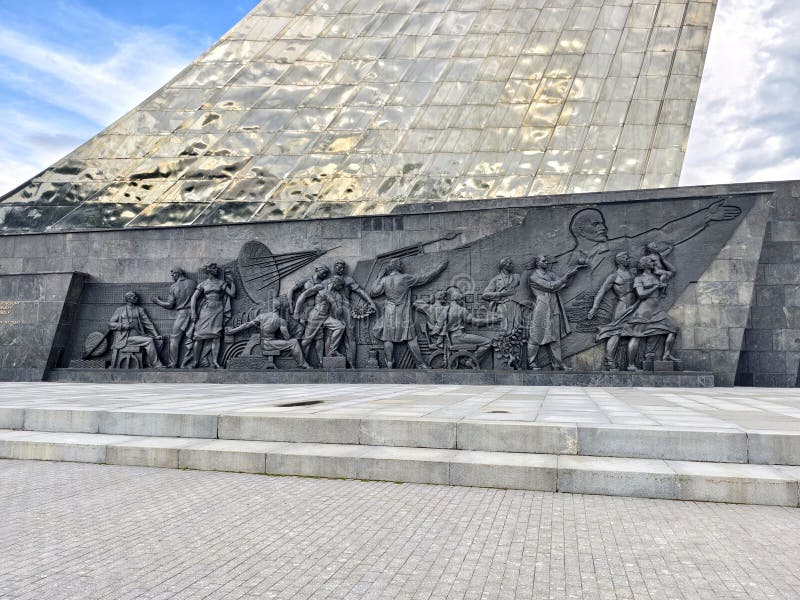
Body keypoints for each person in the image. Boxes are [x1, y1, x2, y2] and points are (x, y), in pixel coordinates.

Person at [368, 258, 449, 369]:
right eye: (401, 263)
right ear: (397, 266)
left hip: (389, 311)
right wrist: (439, 269)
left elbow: (373, 292)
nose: (402, 265)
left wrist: (379, 276)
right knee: (411, 338)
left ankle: (389, 365)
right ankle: (420, 364)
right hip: (402, 311)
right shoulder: (405, 278)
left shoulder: (384, 280)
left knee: (388, 338)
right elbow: (425, 278)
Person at [620, 256, 680, 370]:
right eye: (651, 261)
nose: (653, 263)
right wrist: (656, 286)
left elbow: (672, 271)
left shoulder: (656, 276)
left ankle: (666, 355)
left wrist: (662, 286)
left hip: (657, 311)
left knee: (673, 329)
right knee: (636, 335)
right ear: (645, 264)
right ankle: (631, 365)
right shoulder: (639, 278)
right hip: (644, 311)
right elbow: (641, 294)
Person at [526, 255, 586, 370]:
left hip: (554, 307)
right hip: (541, 309)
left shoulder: (551, 274)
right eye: (544, 261)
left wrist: (573, 273)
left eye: (546, 260)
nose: (546, 262)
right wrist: (566, 276)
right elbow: (551, 286)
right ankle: (532, 362)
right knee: (536, 336)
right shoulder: (533, 277)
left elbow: (564, 284)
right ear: (538, 263)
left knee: (555, 339)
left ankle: (558, 364)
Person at [225, 296, 310, 369]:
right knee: (294, 342)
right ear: (281, 308)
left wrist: (233, 331)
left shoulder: (262, 316)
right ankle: (304, 365)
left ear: (273, 306)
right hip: (270, 344)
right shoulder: (281, 321)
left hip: (263, 343)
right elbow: (287, 338)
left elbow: (247, 324)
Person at [588, 252, 637, 370]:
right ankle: (609, 361)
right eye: (626, 258)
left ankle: (631, 364)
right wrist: (594, 308)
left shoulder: (633, 273)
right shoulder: (614, 276)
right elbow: (601, 292)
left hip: (635, 307)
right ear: (619, 261)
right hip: (622, 306)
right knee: (616, 333)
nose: (628, 260)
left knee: (636, 333)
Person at [325, 260, 377, 367]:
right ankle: (328, 359)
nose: (342, 270)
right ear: (334, 267)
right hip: (333, 310)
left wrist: (370, 302)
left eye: (343, 268)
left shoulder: (348, 279)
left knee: (350, 336)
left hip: (346, 309)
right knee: (330, 334)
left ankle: (352, 364)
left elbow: (360, 291)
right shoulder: (328, 282)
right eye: (339, 267)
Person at [190, 263, 236, 369]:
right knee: (199, 336)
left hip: (218, 310)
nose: (216, 270)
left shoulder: (221, 283)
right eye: (214, 268)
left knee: (216, 337)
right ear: (209, 270)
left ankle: (215, 361)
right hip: (205, 310)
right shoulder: (203, 284)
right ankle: (196, 361)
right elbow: (194, 298)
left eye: (216, 268)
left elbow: (232, 294)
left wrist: (232, 282)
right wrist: (193, 311)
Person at [293, 276, 347, 362]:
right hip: (316, 315)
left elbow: (338, 312)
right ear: (334, 281)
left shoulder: (337, 295)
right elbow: (304, 295)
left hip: (326, 317)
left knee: (340, 327)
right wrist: (296, 311)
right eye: (340, 285)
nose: (341, 287)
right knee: (307, 340)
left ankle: (332, 352)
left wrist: (332, 301)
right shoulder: (320, 287)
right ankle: (301, 361)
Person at [151, 267, 196, 368]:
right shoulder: (193, 283)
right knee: (193, 338)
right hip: (194, 313)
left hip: (182, 314)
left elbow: (170, 305)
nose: (172, 277)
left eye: (172, 275)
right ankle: (192, 361)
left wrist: (157, 301)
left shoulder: (174, 287)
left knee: (174, 339)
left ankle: (173, 363)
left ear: (176, 274)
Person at [443, 287, 500, 367]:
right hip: (460, 337)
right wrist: (492, 320)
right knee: (488, 342)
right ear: (456, 297)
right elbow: (476, 322)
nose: (462, 300)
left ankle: (464, 360)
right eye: (461, 297)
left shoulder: (444, 309)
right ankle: (470, 360)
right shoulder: (460, 309)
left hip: (451, 337)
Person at [109, 291, 165, 368]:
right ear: (129, 299)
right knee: (149, 340)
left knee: (159, 341)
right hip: (124, 338)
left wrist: (156, 335)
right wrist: (124, 326)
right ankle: (156, 364)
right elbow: (110, 324)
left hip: (139, 336)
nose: (137, 298)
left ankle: (149, 362)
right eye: (134, 297)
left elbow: (148, 323)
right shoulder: (120, 310)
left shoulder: (140, 310)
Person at [481, 257, 525, 334]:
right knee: (505, 329)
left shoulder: (517, 277)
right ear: (504, 266)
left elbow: (524, 290)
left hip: (516, 305)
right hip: (503, 306)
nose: (513, 265)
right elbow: (485, 295)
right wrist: (501, 294)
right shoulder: (496, 279)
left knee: (517, 329)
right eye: (510, 263)